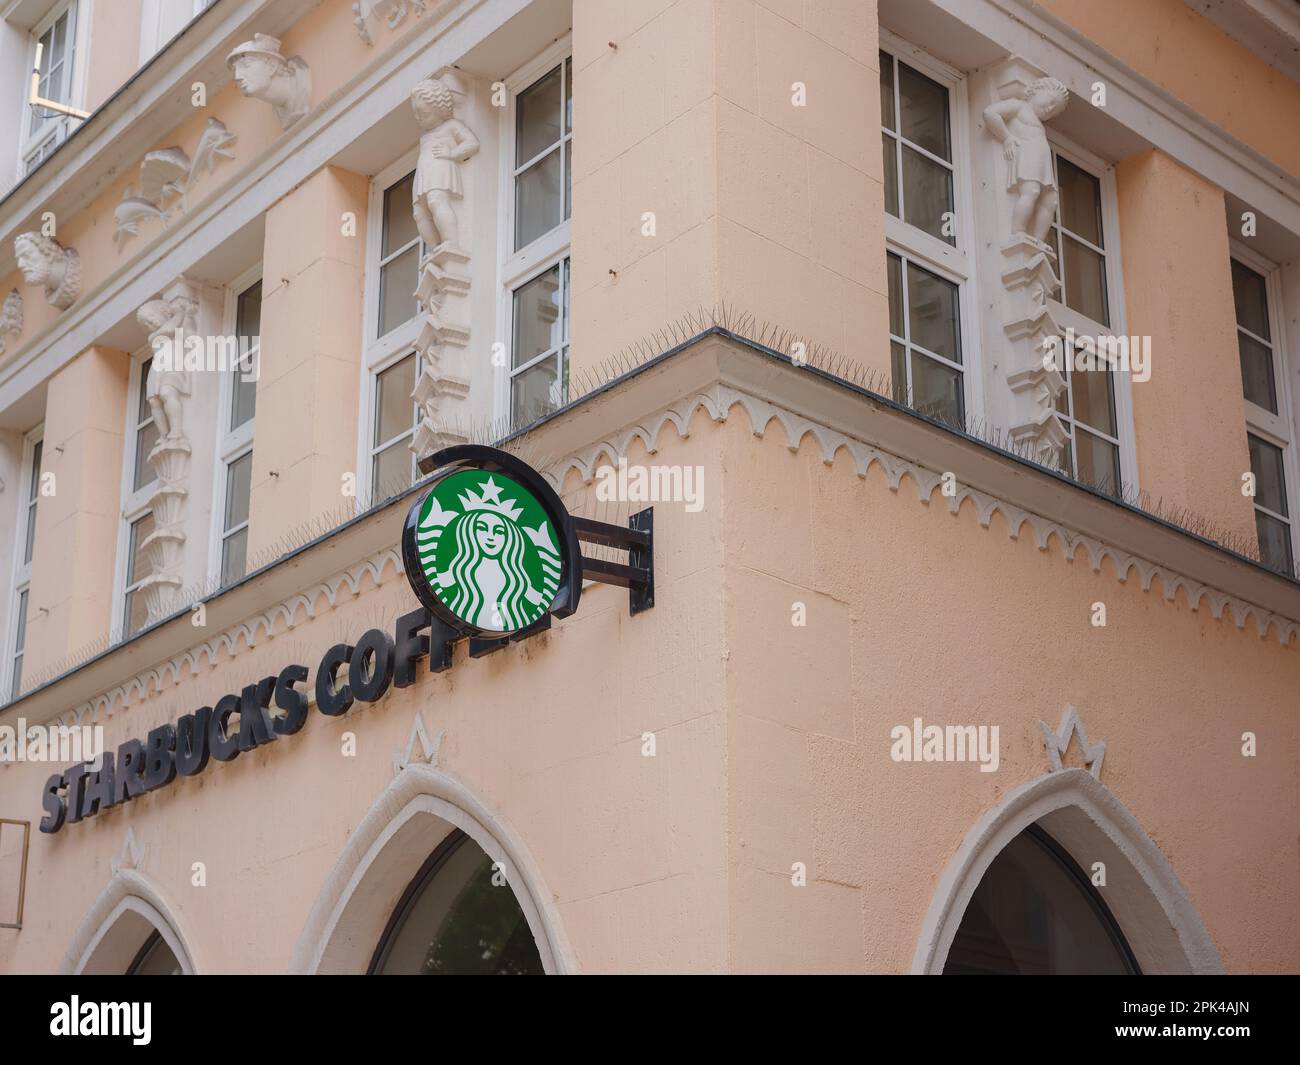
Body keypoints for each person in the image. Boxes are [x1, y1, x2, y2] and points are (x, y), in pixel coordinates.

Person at [983, 77, 1070, 243]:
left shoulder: (1038, 123)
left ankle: (1038, 240)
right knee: (1031, 192)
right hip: (1028, 156)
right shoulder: (1019, 106)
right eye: (1050, 101)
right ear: (1036, 91)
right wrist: (1006, 137)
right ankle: (1018, 231)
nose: (1049, 109)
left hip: (1041, 160)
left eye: (1054, 110)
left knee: (1050, 201)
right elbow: (990, 113)